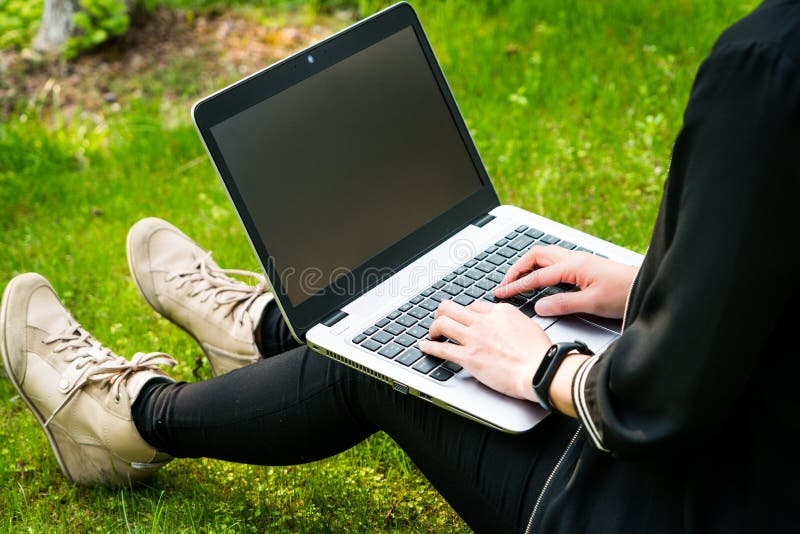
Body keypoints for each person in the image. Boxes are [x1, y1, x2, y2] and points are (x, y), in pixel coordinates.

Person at [2, 1, 799, 531]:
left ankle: (129, 422)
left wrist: (543, 362)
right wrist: (661, 288)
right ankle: (276, 331)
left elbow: (659, 407)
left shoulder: (769, 70)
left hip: (686, 504)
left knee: (383, 362)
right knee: (392, 321)